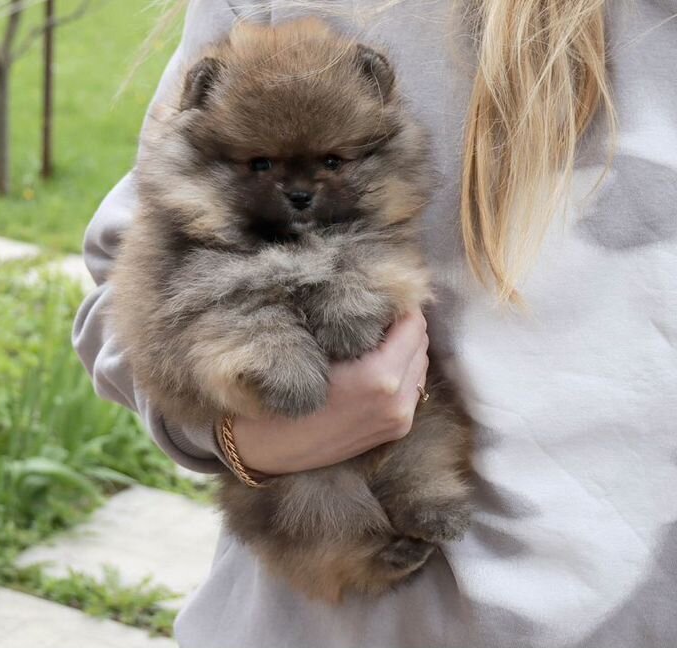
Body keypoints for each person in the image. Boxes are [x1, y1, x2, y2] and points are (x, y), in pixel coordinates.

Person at [72, 1, 677, 645]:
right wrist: (243, 440)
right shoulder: (286, 24)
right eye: (261, 167)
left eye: (333, 163)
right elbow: (125, 292)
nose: (300, 190)